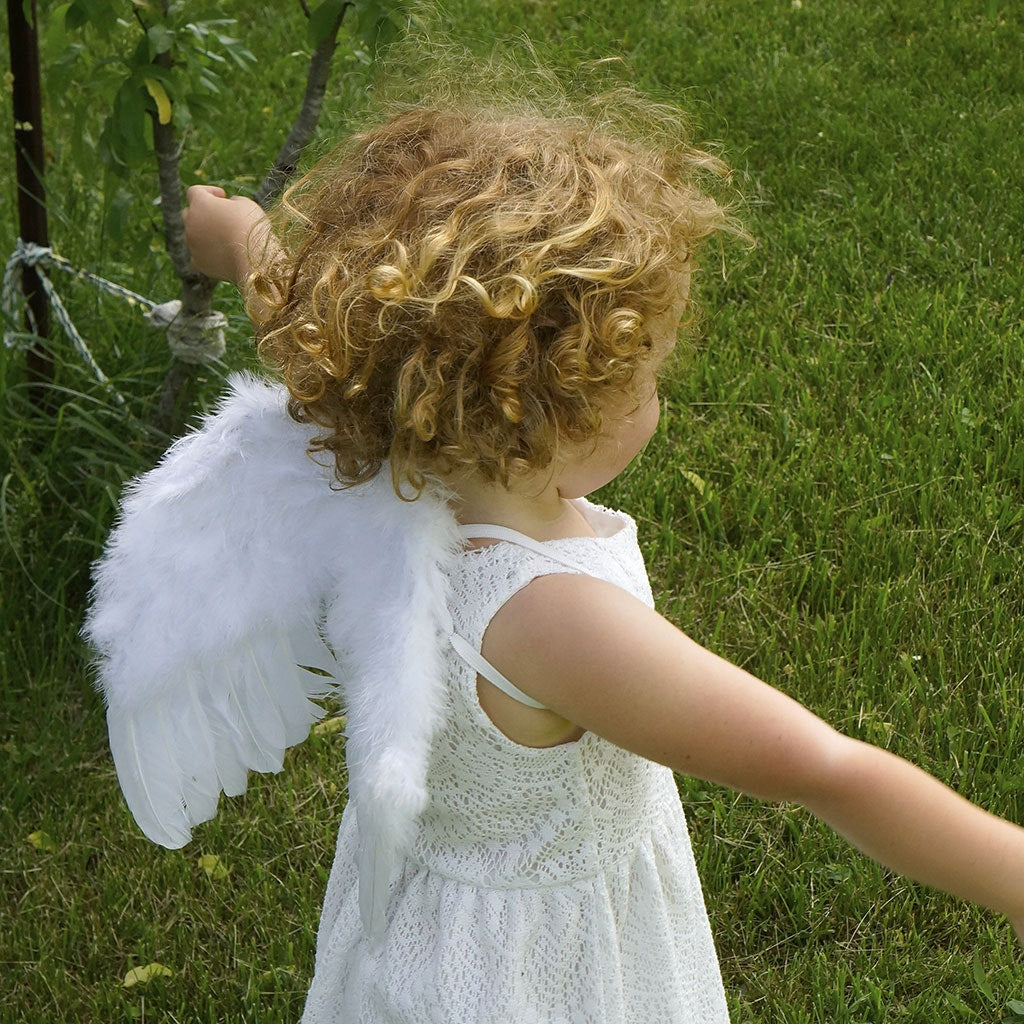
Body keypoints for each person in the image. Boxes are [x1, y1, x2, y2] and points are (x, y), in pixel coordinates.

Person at [148, 91, 1024, 1022]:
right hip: (543, 971)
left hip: (432, 930)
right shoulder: (550, 619)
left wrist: (244, 234)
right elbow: (821, 768)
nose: (660, 399)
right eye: (642, 377)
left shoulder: (379, 430)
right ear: (542, 413)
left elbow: (301, 324)